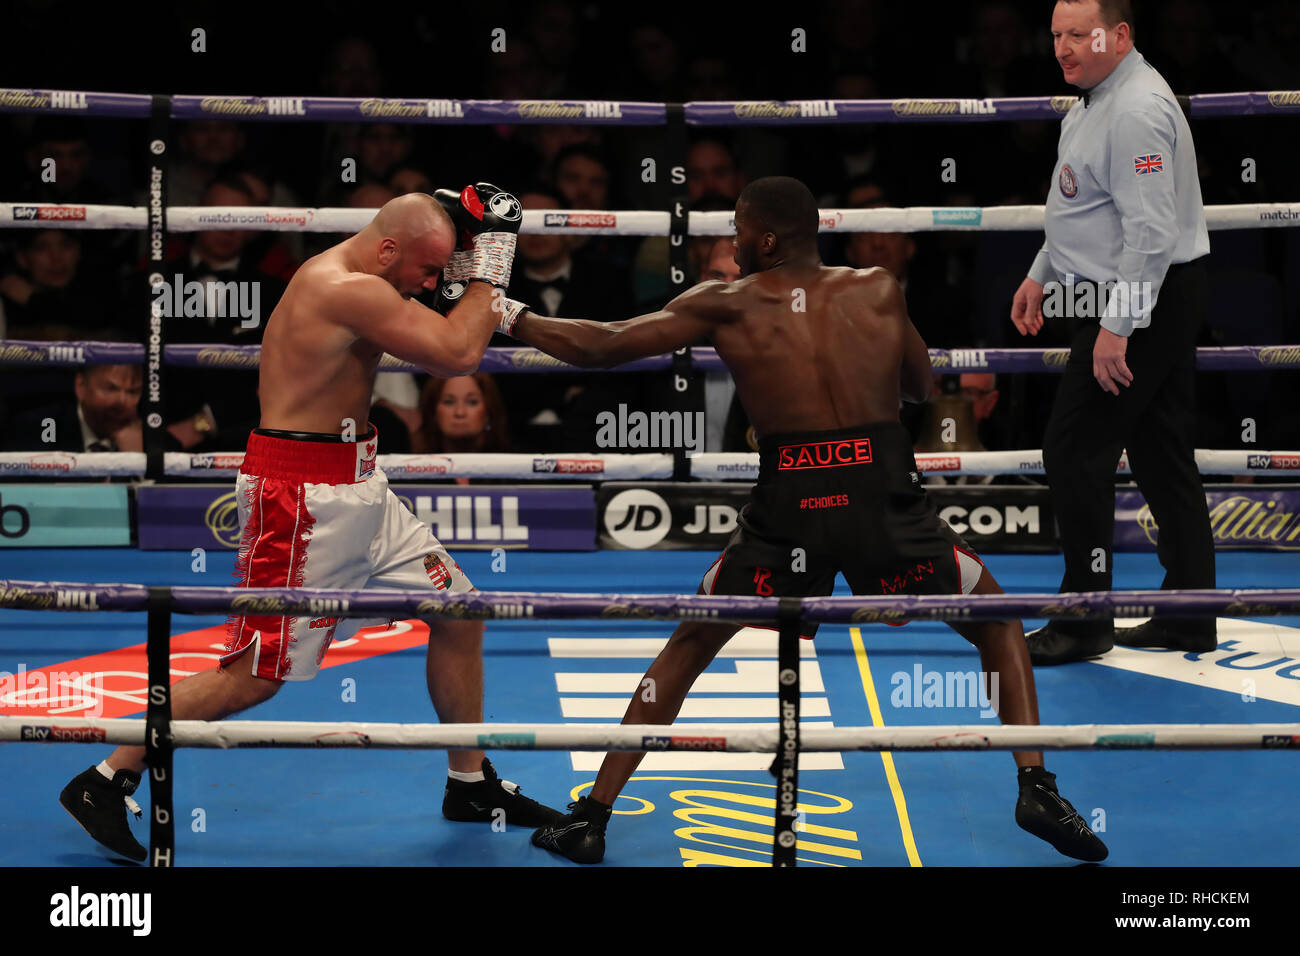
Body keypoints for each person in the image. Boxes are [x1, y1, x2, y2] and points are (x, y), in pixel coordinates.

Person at [501, 176, 1107, 864]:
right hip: (882, 491)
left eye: (736, 231)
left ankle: (593, 817)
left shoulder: (726, 301)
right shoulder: (879, 286)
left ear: (764, 238)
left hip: (790, 498)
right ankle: (1034, 782)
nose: (729, 244)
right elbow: (921, 387)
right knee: (996, 621)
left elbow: (600, 346)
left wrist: (503, 310)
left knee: (693, 643)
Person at [59, 187, 563, 861]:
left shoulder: (370, 278)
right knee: (253, 675)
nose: (430, 283)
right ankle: (106, 775)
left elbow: (447, 317)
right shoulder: (346, 287)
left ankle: (468, 782)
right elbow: (457, 353)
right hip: (301, 499)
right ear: (388, 250)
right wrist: (494, 257)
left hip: (359, 481)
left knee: (459, 611)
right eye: (424, 269)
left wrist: (466, 250)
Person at [1010, 0, 1215, 664]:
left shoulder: (1132, 111)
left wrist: (1117, 325)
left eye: (1079, 34)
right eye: (1056, 36)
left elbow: (1151, 236)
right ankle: (1190, 614)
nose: (1063, 47)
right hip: (1134, 290)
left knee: (1073, 452)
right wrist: (1043, 271)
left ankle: (1084, 619)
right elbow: (1083, 206)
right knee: (1160, 452)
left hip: (1141, 294)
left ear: (1120, 35)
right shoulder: (1097, 98)